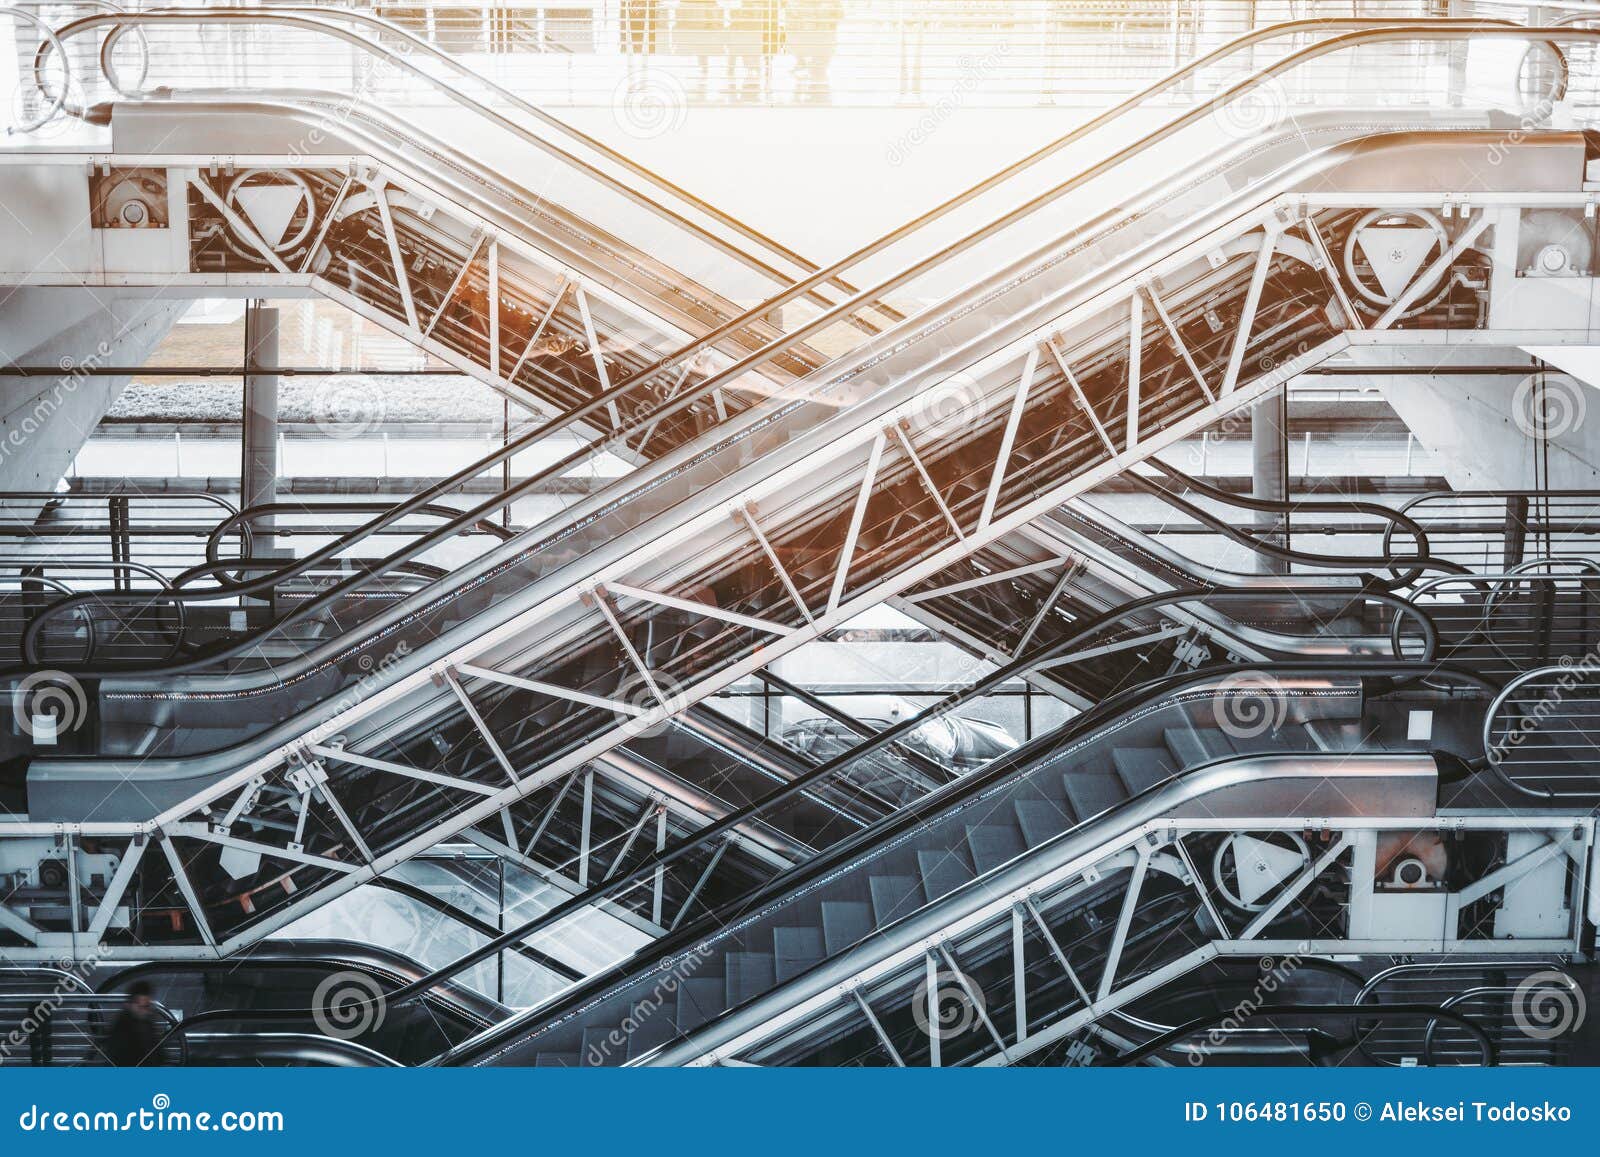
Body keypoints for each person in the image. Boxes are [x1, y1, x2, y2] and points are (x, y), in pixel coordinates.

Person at [104, 981, 164, 1067]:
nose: (144, 1011)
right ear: (129, 1004)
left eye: (146, 1006)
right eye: (141, 1007)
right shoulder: (144, 1023)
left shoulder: (123, 1023)